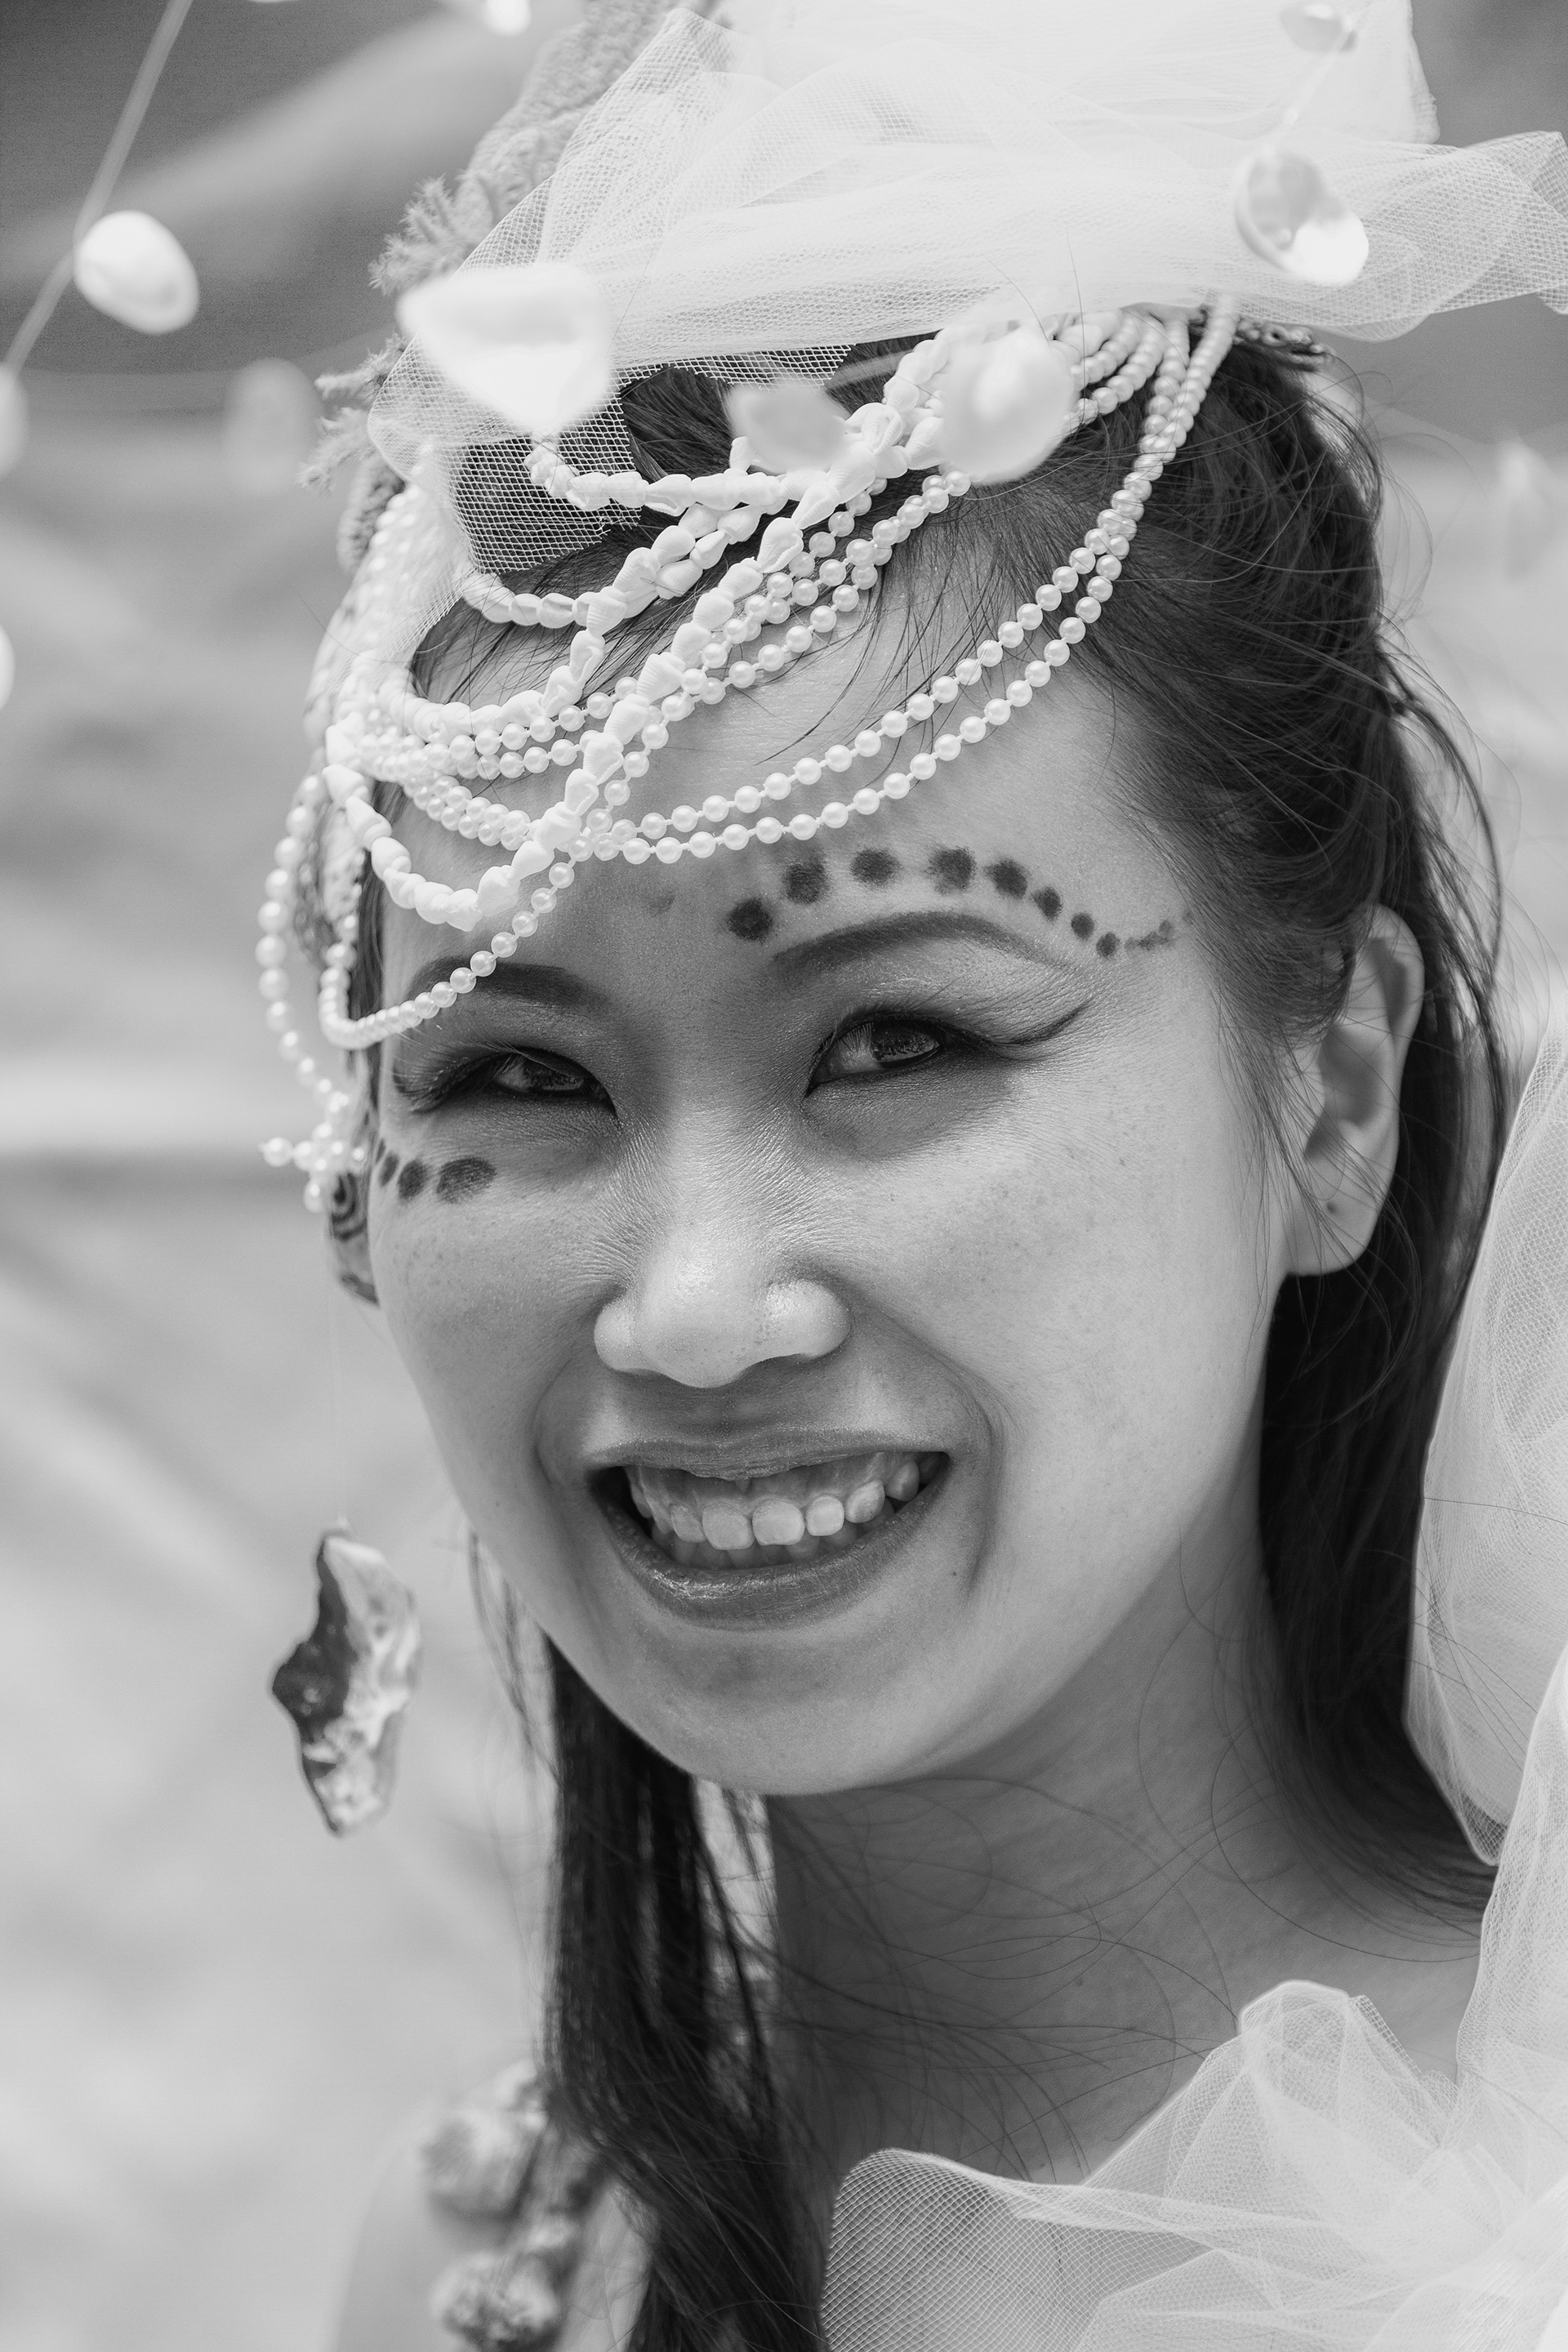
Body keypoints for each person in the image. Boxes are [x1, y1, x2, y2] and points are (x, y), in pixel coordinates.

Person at [253, 2, 1568, 2344]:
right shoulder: (492, 2270)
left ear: (1335, 1095)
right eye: (520, 1081)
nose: (691, 1301)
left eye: (898, 1041)